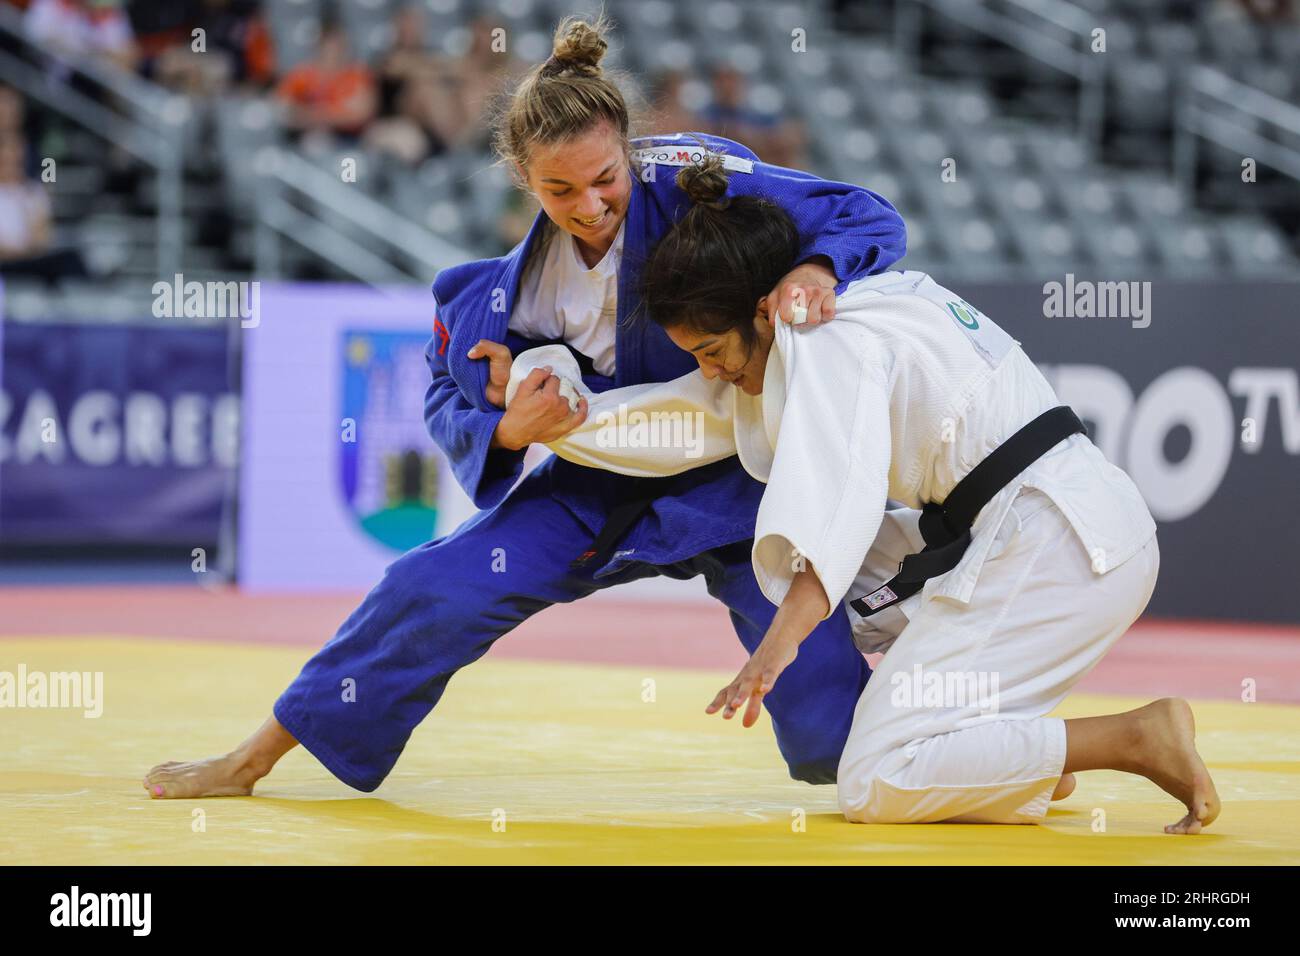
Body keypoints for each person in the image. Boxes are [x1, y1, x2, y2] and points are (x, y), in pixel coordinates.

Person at [142, 14, 908, 800]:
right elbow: (444, 392)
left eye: (606, 177)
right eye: (560, 189)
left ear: (628, 145)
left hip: (738, 483)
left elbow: (868, 216)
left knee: (832, 734)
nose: (589, 205)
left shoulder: (692, 177)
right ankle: (252, 759)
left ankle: (941, 758)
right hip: (597, 489)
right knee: (430, 590)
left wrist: (814, 266)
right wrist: (507, 429)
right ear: (523, 178)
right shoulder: (493, 296)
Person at [517, 154, 1220, 834]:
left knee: (877, 775)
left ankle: (1132, 739)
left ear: (762, 311)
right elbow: (687, 419)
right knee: (827, 599)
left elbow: (841, 497)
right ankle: (999, 757)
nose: (712, 373)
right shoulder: (860, 300)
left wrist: (775, 651)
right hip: (1028, 526)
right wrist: (558, 423)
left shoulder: (825, 342)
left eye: (709, 352)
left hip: (1058, 546)